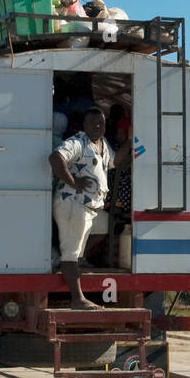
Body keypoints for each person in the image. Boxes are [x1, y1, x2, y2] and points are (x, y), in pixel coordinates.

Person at [49, 107, 132, 308]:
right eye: (92, 123)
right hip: (73, 204)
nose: (97, 126)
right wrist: (74, 181)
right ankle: (78, 299)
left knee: (104, 225)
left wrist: (130, 142)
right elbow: (55, 158)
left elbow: (114, 161)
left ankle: (78, 257)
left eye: (100, 123)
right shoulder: (78, 142)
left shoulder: (102, 144)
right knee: (70, 253)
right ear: (84, 125)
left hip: (90, 208)